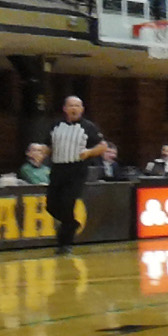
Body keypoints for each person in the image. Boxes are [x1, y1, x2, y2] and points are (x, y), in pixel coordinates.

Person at [45, 96, 107, 255]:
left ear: (82, 109)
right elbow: (48, 145)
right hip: (57, 169)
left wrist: (89, 152)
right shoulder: (55, 125)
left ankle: (64, 244)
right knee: (51, 206)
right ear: (65, 108)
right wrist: (42, 152)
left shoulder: (89, 127)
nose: (74, 109)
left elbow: (103, 146)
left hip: (76, 171)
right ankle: (71, 224)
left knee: (67, 204)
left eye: (77, 106)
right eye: (71, 106)